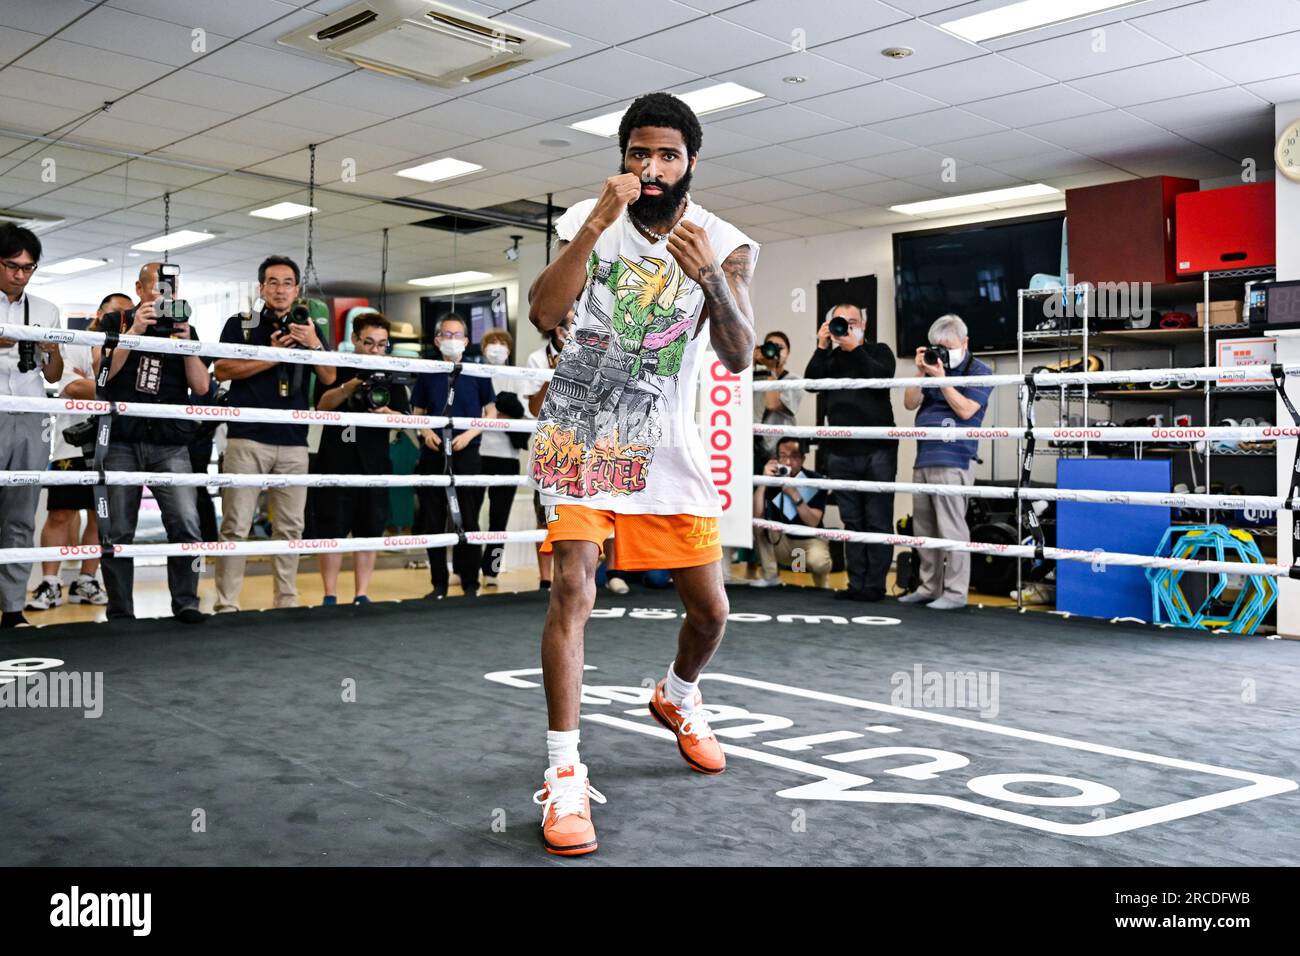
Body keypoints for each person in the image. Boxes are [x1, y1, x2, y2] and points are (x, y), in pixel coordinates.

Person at [526, 91, 757, 855]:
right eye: (637, 153)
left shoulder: (723, 241)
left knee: (712, 611)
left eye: (666, 155)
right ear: (622, 158)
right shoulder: (586, 222)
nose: (650, 169)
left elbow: (738, 353)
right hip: (582, 428)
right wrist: (595, 221)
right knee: (573, 587)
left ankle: (678, 694)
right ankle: (564, 773)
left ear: (692, 162)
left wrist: (712, 280)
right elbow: (541, 311)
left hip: (666, 442)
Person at [212, 256, 336, 613]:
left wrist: (313, 343)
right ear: (261, 288)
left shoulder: (308, 326)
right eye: (272, 282)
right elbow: (221, 370)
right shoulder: (242, 323)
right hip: (247, 436)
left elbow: (329, 377)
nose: (280, 289)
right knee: (236, 524)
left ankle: (286, 601)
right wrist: (271, 356)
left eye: (286, 283)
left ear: (296, 290)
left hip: (295, 440)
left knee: (291, 527)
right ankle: (227, 604)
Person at [98, 262, 211, 623]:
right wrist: (133, 331)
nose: (164, 298)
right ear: (139, 288)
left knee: (186, 522)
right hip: (121, 438)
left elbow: (203, 387)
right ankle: (120, 611)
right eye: (157, 289)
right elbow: (103, 377)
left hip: (170, 440)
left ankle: (187, 602)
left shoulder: (184, 327)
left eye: (170, 290)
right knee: (118, 529)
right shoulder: (115, 321)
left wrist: (186, 342)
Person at [25, 294, 127, 612]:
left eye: (124, 317)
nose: (117, 321)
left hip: (115, 443)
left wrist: (95, 384)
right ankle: (51, 583)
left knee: (100, 517)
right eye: (113, 314)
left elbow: (93, 387)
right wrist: (114, 388)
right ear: (99, 314)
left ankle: (86, 580)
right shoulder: (76, 341)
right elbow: (71, 387)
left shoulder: (127, 347)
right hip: (71, 443)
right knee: (61, 513)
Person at [312, 313, 408, 605]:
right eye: (369, 343)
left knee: (369, 530)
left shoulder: (390, 375)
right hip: (336, 459)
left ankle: (361, 593)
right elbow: (321, 406)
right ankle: (329, 594)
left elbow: (403, 419)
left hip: (374, 462)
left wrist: (385, 413)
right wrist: (349, 386)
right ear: (354, 340)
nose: (375, 350)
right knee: (333, 531)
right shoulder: (336, 368)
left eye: (381, 344)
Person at [805, 303, 896, 602]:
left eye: (853, 321)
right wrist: (821, 346)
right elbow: (811, 384)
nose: (847, 327)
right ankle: (856, 584)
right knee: (852, 520)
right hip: (841, 451)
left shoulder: (879, 351)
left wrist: (855, 347)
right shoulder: (829, 359)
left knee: (878, 519)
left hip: (877, 449)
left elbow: (879, 377)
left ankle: (875, 586)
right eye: (840, 322)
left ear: (864, 325)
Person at [900, 314, 993, 610]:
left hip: (955, 458)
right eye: (936, 346)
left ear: (965, 343)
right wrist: (920, 373)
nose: (941, 352)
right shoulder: (930, 367)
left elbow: (965, 410)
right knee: (923, 527)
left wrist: (942, 381)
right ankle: (929, 587)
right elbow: (909, 403)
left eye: (947, 347)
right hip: (924, 455)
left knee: (952, 528)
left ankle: (955, 593)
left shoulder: (980, 370)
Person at [0, 223, 64, 628]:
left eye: (28, 268)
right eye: (11, 266)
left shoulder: (46, 309)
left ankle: (11, 609)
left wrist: (51, 348)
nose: (20, 274)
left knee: (21, 516)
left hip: (31, 415)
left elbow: (55, 375)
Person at [410, 313, 497, 600]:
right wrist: (426, 434)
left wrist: (470, 434)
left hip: (467, 452)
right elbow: (417, 414)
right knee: (433, 520)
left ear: (466, 341)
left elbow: (491, 412)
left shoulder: (477, 373)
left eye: (457, 334)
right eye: (446, 335)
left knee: (468, 518)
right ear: (437, 340)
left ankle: (470, 582)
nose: (451, 340)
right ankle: (438, 584)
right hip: (433, 452)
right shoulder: (427, 373)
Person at [522, 308, 573, 591]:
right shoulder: (536, 359)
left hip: (585, 444)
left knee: (584, 514)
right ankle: (545, 579)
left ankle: (578, 576)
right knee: (544, 516)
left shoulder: (593, 351)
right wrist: (554, 373)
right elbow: (534, 408)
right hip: (549, 446)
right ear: (558, 329)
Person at [477, 327, 529, 589]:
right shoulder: (475, 375)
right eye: (491, 342)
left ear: (509, 348)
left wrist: (503, 413)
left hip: (507, 455)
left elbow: (524, 414)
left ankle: (491, 572)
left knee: (499, 519)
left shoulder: (518, 377)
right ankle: (466, 568)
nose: (496, 347)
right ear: (484, 348)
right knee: (470, 514)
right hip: (477, 452)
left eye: (501, 342)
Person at [751, 437, 832, 589]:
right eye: (783, 456)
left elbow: (813, 521)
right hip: (782, 542)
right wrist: (763, 481)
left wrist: (793, 493)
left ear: (802, 459)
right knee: (759, 524)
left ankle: (822, 586)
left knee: (819, 563)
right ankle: (770, 577)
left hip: (808, 544)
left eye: (793, 457)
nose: (788, 462)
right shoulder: (772, 478)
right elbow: (756, 515)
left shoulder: (816, 480)